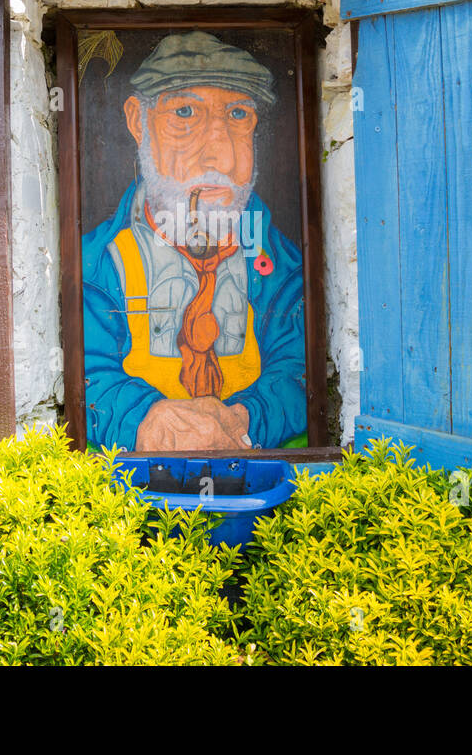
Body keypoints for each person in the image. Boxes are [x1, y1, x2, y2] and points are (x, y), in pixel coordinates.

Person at [81, 31, 308, 452]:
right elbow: (87, 375)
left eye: (239, 115)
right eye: (185, 112)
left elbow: (298, 370)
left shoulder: (282, 265)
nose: (220, 157)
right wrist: (145, 419)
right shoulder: (98, 265)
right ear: (137, 121)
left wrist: (243, 418)